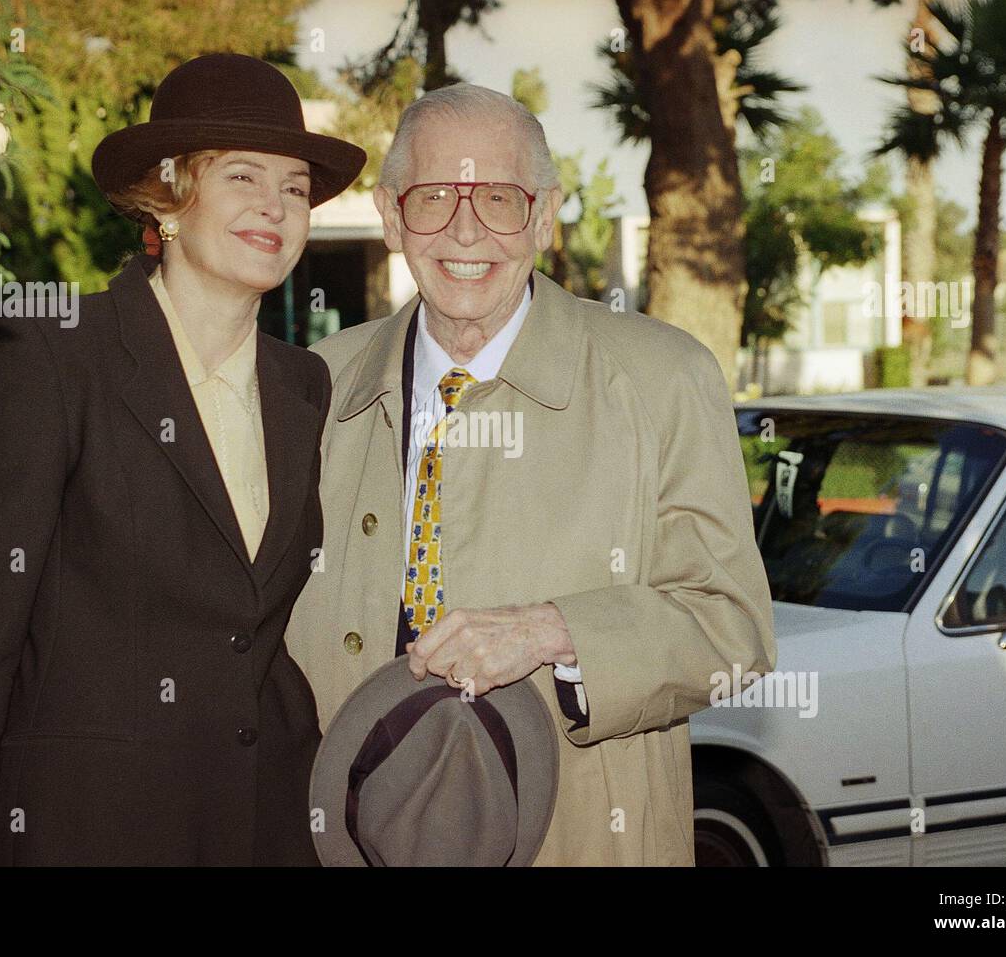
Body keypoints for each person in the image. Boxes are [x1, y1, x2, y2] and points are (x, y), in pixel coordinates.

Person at [285, 83, 776, 865]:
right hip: (354, 838)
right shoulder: (315, 384)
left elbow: (733, 629)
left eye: (501, 199)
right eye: (436, 196)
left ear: (545, 216)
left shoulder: (663, 378)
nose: (466, 230)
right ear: (389, 215)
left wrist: (552, 631)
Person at [0, 54, 365, 865]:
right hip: (83, 831)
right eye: (243, 177)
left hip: (265, 831)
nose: (276, 206)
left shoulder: (303, 386)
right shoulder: (47, 356)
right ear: (170, 197)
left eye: (295, 188)